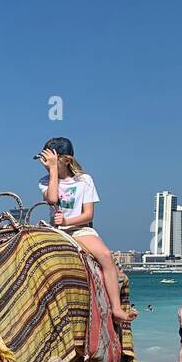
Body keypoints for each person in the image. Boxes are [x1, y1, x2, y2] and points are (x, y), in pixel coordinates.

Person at [37, 137, 132, 324]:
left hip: (80, 229)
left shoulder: (84, 180)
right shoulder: (44, 181)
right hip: (54, 230)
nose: (44, 163)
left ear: (65, 160)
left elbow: (88, 215)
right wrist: (53, 171)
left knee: (105, 255)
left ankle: (116, 309)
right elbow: (52, 198)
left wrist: (67, 220)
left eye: (49, 159)